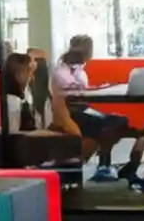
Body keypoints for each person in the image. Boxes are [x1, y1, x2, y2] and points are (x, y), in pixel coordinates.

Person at [53, 34, 131, 182]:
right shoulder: (62, 69)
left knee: (120, 121)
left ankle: (103, 164)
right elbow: (70, 88)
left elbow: (81, 89)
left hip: (84, 108)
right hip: (72, 112)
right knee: (105, 124)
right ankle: (103, 165)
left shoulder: (80, 70)